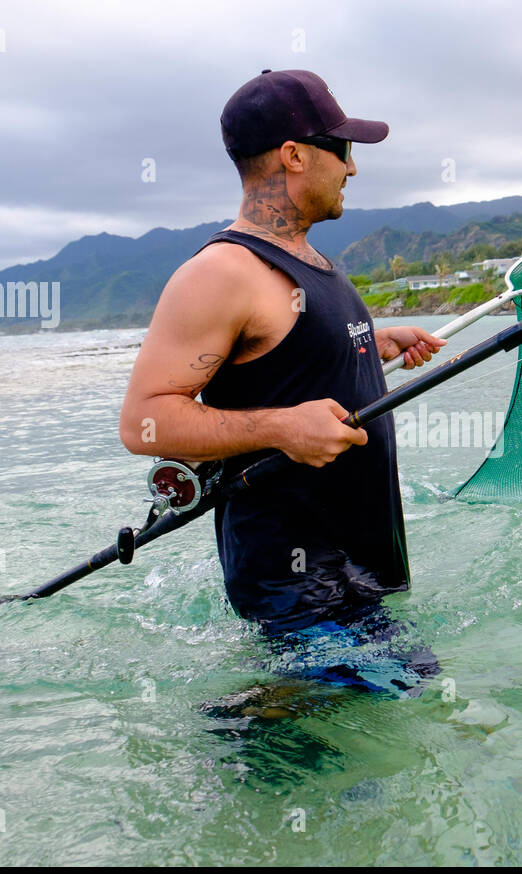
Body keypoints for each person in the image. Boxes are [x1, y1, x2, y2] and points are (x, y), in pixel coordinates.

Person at [119, 68, 445, 636]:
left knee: (380, 718)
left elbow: (285, 363)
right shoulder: (222, 272)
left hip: (361, 566)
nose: (353, 166)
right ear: (294, 155)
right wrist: (283, 428)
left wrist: (367, 343)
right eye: (342, 149)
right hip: (301, 589)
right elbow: (143, 421)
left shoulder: (307, 258)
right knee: (424, 715)